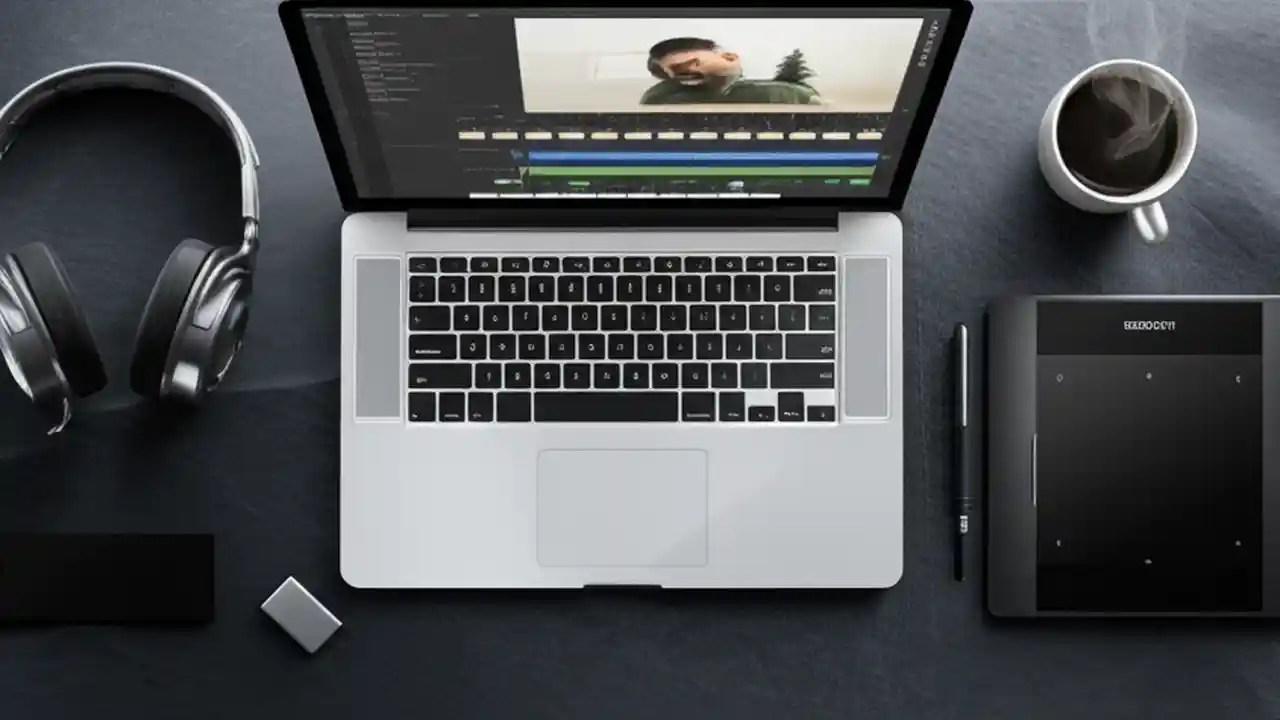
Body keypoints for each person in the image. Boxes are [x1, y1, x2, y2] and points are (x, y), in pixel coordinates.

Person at [640, 37, 823, 106]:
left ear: (729, 57)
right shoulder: (660, 97)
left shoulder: (789, 94)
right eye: (672, 71)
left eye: (694, 63)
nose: (686, 72)